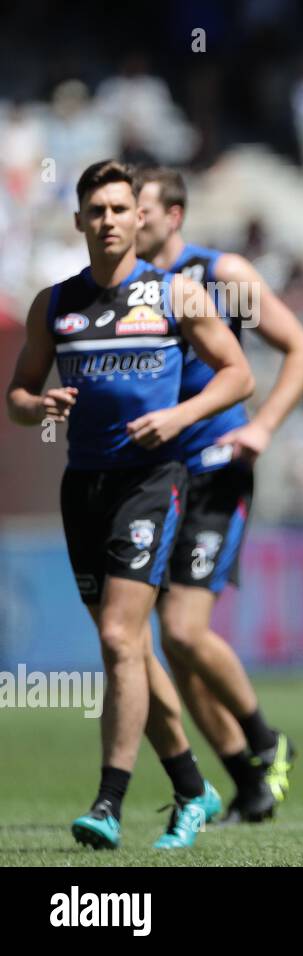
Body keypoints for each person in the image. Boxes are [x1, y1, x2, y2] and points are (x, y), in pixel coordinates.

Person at [5, 159, 254, 848]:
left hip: (153, 481)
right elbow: (18, 395)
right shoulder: (54, 304)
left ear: (139, 218)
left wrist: (179, 418)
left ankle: (109, 803)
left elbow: (238, 374)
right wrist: (39, 404)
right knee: (130, 652)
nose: (111, 221)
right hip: (82, 486)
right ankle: (191, 788)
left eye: (121, 209)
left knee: (120, 639)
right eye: (98, 211)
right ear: (80, 221)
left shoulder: (177, 295)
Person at [134, 166, 303, 821]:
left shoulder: (220, 274)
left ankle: (270, 745)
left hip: (216, 467)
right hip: (153, 476)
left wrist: (263, 426)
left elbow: (302, 349)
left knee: (182, 631)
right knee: (173, 644)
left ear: (174, 214)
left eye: (142, 209)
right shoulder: (123, 288)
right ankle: (248, 784)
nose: (128, 220)